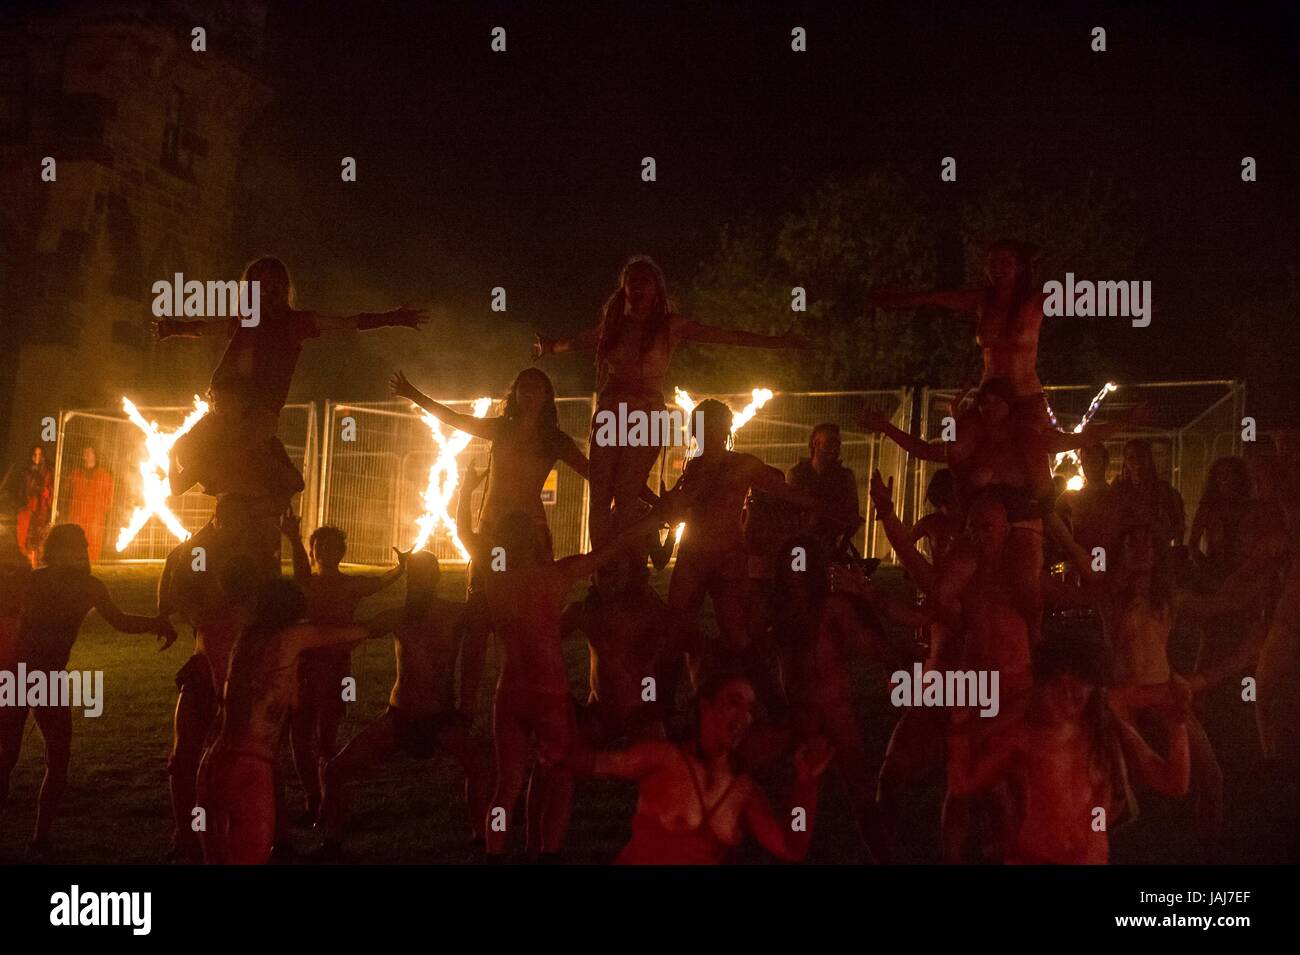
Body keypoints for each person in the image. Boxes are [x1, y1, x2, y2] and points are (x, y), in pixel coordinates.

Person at [533, 255, 806, 557]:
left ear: (656, 290)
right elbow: (578, 341)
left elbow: (725, 336)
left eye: (645, 280)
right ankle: (602, 568)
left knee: (626, 494)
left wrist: (777, 342)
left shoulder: (669, 327)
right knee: (599, 495)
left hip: (646, 414)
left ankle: (629, 564)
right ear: (623, 286)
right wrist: (550, 347)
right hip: (611, 413)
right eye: (632, 279)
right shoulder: (612, 326)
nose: (638, 286)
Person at [158, 256, 424, 514]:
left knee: (232, 457)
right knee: (186, 450)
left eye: (271, 285)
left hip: (258, 415)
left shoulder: (293, 323)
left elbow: (348, 323)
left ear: (282, 289)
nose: (265, 292)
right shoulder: (244, 322)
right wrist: (175, 329)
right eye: (259, 285)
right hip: (225, 411)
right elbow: (204, 329)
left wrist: (392, 318)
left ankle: (263, 502)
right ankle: (234, 502)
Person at [475, 505, 665, 861]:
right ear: (536, 541)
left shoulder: (494, 579)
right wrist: (651, 521)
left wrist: (471, 500)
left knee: (507, 787)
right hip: (549, 695)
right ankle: (548, 853)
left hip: (510, 692)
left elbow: (479, 543)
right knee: (560, 774)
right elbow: (608, 551)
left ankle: (494, 853)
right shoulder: (557, 577)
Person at [0, 524, 177, 859]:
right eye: (71, 547)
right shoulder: (36, 581)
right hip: (20, 675)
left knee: (56, 758)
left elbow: (120, 620)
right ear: (55, 551)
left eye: (80, 546)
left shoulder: (86, 586)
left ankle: (41, 838)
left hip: (44, 676)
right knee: (7, 755)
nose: (78, 552)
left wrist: (155, 622)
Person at [195, 575, 392, 865]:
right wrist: (380, 624)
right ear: (293, 609)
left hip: (213, 762)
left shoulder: (246, 639)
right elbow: (345, 633)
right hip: (250, 769)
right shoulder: (291, 638)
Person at [949, 634, 1190, 865]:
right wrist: (959, 728)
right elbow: (963, 785)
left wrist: (1177, 726)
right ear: (1043, 687)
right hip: (1033, 858)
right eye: (1058, 685)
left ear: (1092, 686)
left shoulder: (1110, 732)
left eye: (1077, 685)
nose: (1067, 694)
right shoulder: (1024, 736)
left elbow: (1173, 783)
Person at [317, 552, 488, 857]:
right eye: (415, 576)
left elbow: (487, 613)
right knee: (336, 770)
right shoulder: (398, 616)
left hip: (441, 718)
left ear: (436, 578)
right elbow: (360, 631)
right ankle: (331, 841)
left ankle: (484, 840)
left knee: (481, 769)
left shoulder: (454, 613)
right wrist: (310, 639)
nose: (419, 582)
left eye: (425, 575)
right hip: (401, 716)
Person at [658, 399, 820, 717]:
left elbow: (784, 490)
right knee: (678, 632)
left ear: (725, 429)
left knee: (736, 634)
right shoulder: (694, 467)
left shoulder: (741, 465)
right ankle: (664, 707)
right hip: (696, 556)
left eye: (715, 426)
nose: (710, 433)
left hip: (726, 558)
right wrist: (667, 506)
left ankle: (772, 708)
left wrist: (822, 506)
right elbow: (681, 510)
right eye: (704, 427)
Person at [567, 672, 834, 864]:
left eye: (750, 709)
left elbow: (791, 847)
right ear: (706, 706)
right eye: (734, 702)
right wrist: (558, 751)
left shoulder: (744, 792)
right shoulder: (664, 758)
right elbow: (599, 763)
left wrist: (805, 787)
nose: (744, 715)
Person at [157, 495, 279, 861]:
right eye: (227, 518)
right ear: (217, 518)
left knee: (246, 762)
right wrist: (175, 611)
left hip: (242, 681)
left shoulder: (253, 559)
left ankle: (264, 835)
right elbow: (176, 577)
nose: (233, 526)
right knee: (184, 759)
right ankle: (186, 834)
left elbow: (279, 605)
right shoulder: (200, 554)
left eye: (239, 519)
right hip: (204, 670)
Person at [390, 366, 589, 561]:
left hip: (531, 527)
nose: (528, 391)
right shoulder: (501, 429)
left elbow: (591, 472)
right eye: (523, 386)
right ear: (515, 394)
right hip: (493, 522)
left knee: (533, 579)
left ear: (546, 395)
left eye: (535, 387)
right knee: (491, 578)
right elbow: (455, 419)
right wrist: (413, 394)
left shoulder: (555, 440)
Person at [283, 515, 406, 821]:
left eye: (333, 546)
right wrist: (294, 538)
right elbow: (301, 572)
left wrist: (401, 568)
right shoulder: (307, 583)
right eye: (321, 546)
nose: (327, 551)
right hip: (305, 667)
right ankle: (313, 794)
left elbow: (380, 583)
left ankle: (327, 792)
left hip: (337, 667)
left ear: (342, 552)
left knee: (328, 732)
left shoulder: (350, 585)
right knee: (301, 732)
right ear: (313, 551)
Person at [866, 239, 1051, 426]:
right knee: (961, 440)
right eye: (992, 263)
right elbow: (935, 297)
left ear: (1020, 268)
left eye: (1005, 262)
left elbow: (1070, 296)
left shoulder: (1035, 300)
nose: (997, 268)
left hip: (1024, 396)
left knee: (1034, 442)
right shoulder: (982, 301)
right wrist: (892, 300)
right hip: (988, 398)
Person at [786, 423, 862, 554]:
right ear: (815, 443)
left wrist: (840, 548)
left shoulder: (844, 477)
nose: (834, 449)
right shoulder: (797, 474)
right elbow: (788, 514)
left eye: (837, 444)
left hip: (831, 547)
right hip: (801, 547)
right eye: (829, 443)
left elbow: (852, 517)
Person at [1113, 439, 1186, 549]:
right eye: (1131, 457)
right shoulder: (1118, 492)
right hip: (1127, 553)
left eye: (1141, 456)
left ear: (1149, 459)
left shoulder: (1165, 491)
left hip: (1157, 552)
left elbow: (1178, 526)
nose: (1137, 461)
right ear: (1126, 462)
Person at [67, 445, 114, 564]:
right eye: (84, 453)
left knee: (93, 546)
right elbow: (67, 495)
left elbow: (108, 499)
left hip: (95, 519)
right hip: (78, 517)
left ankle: (92, 566)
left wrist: (99, 510)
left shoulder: (104, 476)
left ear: (95, 456)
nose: (86, 456)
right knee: (77, 544)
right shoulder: (75, 474)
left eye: (89, 453)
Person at [15, 445, 52, 569]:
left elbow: (48, 491)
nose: (37, 457)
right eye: (35, 454)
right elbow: (22, 489)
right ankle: (29, 563)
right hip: (28, 507)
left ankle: (36, 564)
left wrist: (41, 490)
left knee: (38, 538)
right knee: (25, 537)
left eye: (40, 454)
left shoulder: (46, 472)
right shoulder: (27, 471)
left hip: (41, 509)